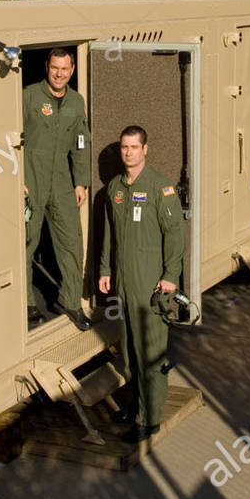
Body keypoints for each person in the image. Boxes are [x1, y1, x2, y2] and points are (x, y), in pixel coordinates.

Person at [98, 125, 186, 442]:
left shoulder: (160, 188)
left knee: (150, 353)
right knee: (129, 352)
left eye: (134, 147)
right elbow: (109, 233)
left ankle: (149, 419)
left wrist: (170, 276)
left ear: (145, 149)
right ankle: (137, 405)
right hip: (124, 282)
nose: (128, 152)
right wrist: (106, 269)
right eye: (124, 147)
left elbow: (175, 234)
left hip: (152, 285)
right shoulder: (115, 189)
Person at [23, 47, 92, 330]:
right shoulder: (29, 96)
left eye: (65, 69)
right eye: (55, 68)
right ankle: (26, 302)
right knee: (28, 239)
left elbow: (80, 142)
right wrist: (18, 178)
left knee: (72, 242)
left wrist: (81, 181)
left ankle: (70, 301)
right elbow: (11, 136)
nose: (59, 74)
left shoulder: (76, 101)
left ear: (72, 70)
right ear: (46, 67)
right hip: (32, 175)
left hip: (62, 179)